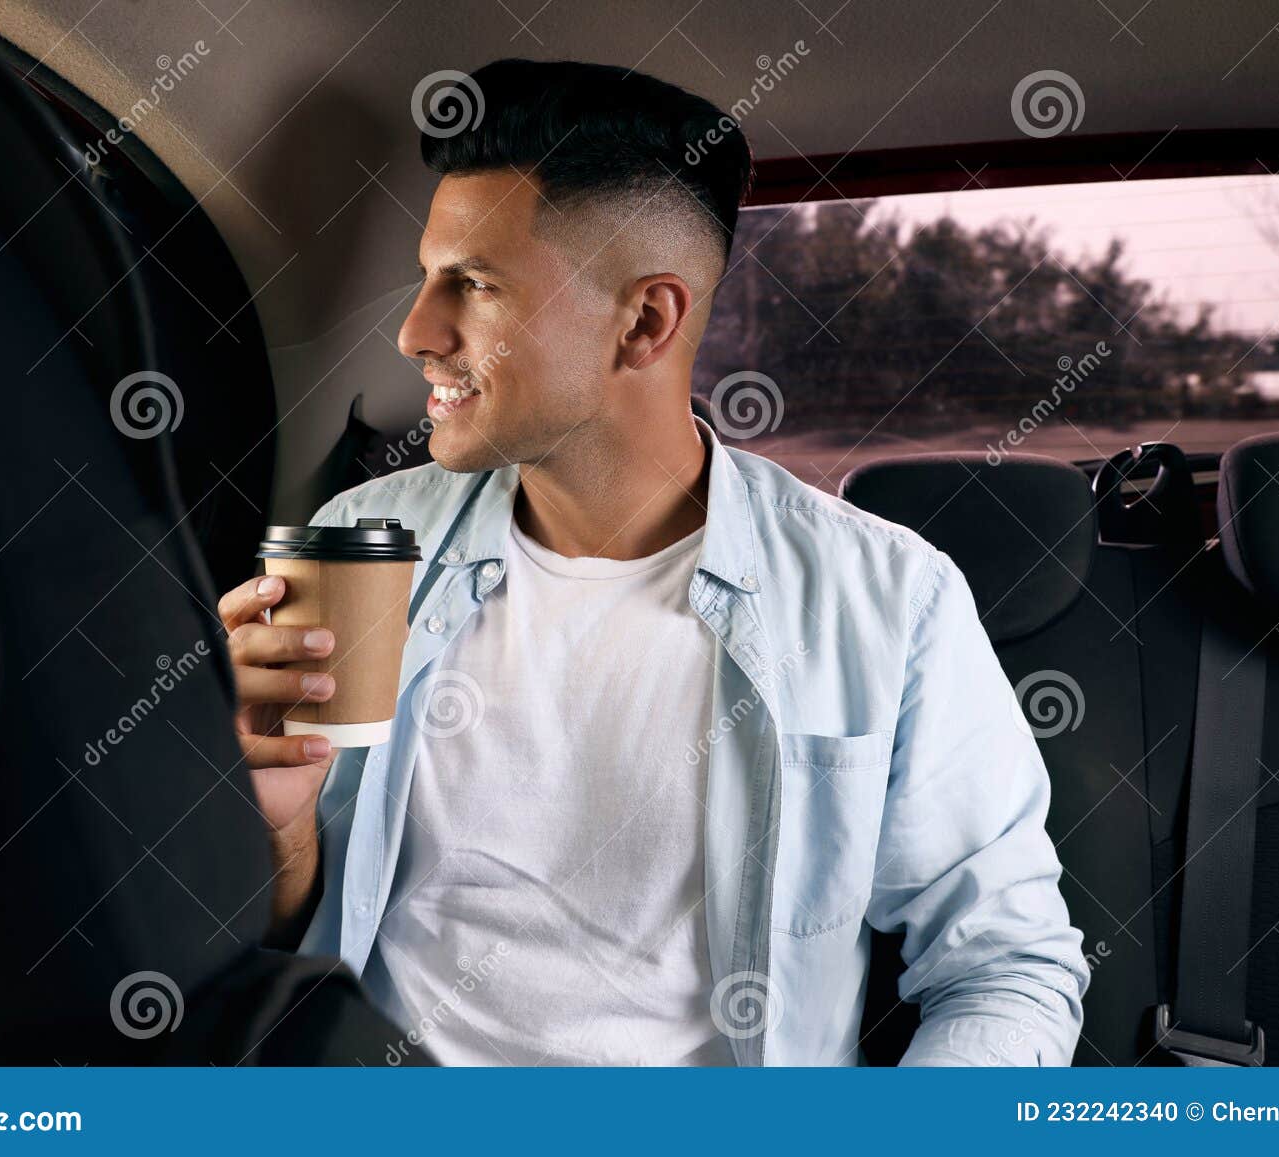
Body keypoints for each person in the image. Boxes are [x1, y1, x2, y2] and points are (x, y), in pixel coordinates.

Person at [218, 58, 1087, 1065]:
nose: (416, 331)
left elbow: (1002, 968)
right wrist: (272, 822)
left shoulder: (888, 597)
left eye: (477, 285)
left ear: (644, 320)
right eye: (426, 277)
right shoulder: (365, 539)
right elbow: (275, 937)